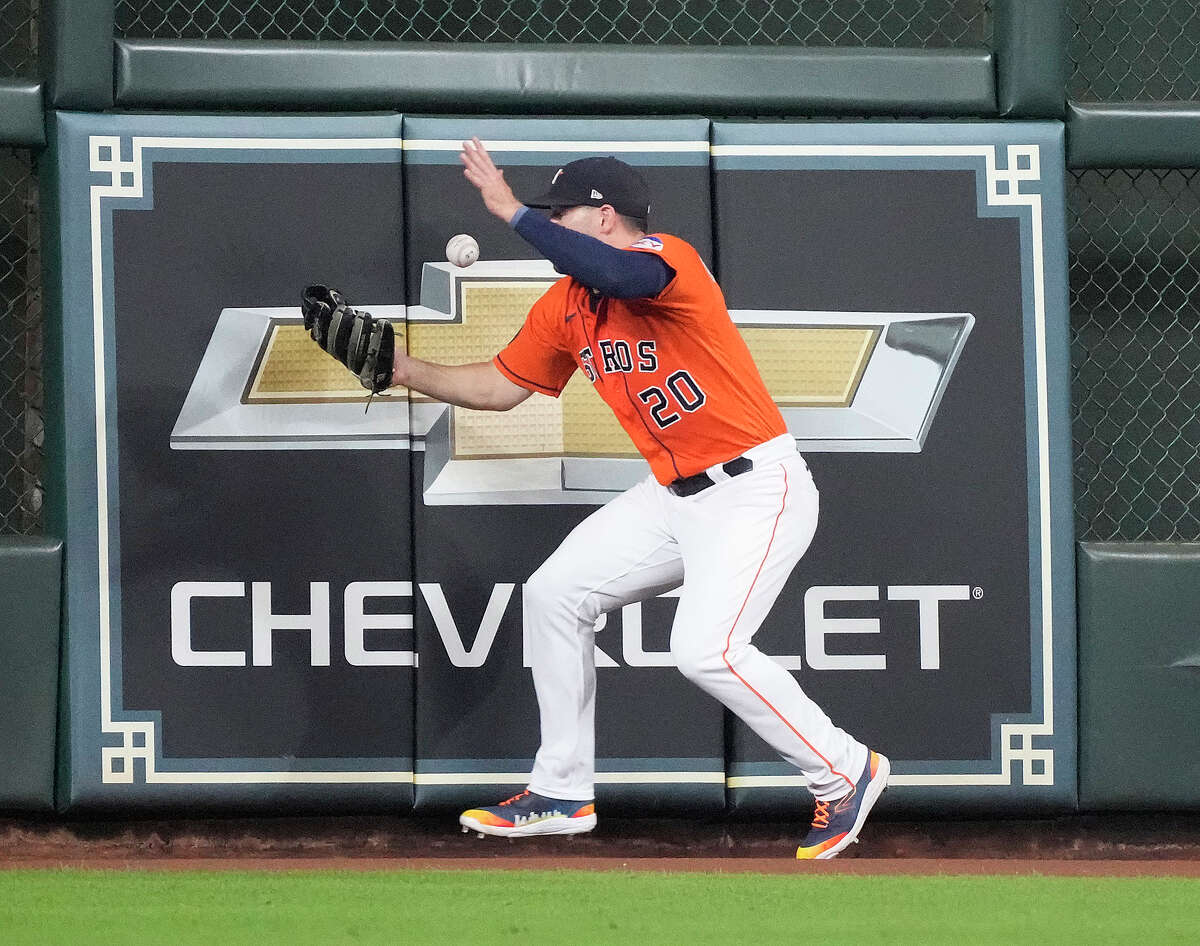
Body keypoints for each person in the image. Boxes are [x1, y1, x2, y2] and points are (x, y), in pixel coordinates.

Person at [392, 137, 889, 859]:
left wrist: (510, 212)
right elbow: (496, 388)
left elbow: (619, 273)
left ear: (604, 217)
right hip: (671, 496)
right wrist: (403, 368)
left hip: (755, 489)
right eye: (544, 214)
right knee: (555, 593)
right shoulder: (566, 305)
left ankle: (843, 770)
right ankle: (561, 792)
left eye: (560, 212)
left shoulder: (666, 260)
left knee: (705, 649)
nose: (550, 222)